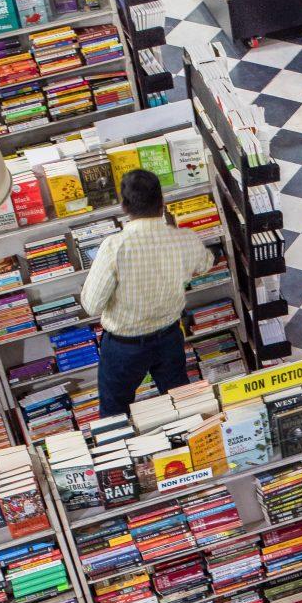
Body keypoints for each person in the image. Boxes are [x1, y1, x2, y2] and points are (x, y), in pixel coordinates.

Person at [81, 168, 214, 417]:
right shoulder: (184, 239)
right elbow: (205, 263)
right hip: (169, 338)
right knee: (182, 406)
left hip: (124, 345)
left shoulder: (114, 247)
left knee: (115, 414)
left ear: (124, 207)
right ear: (162, 203)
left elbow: (92, 305)